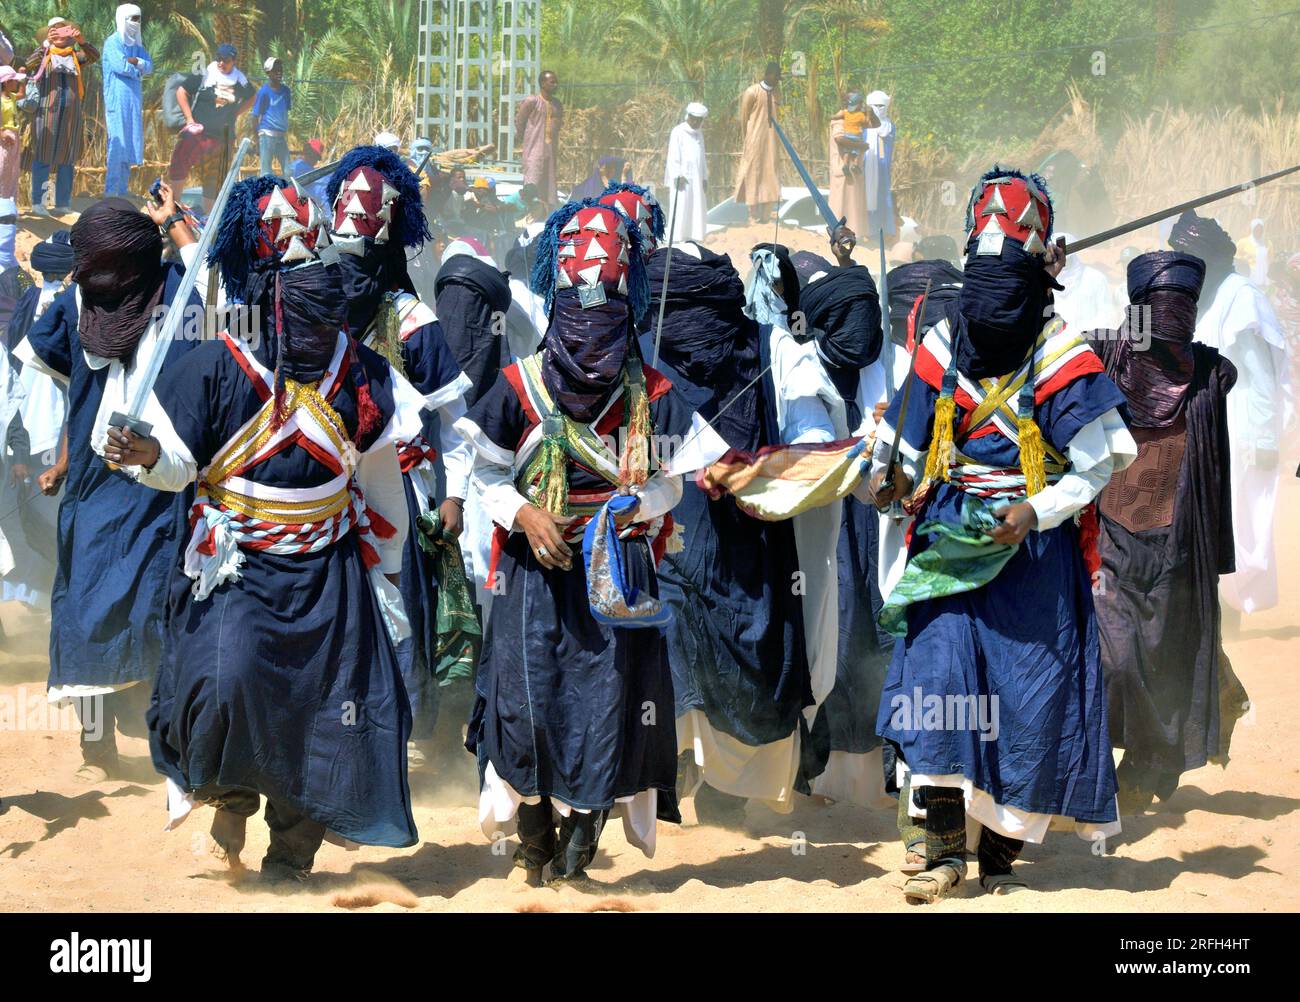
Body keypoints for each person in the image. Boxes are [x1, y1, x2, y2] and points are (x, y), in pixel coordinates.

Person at [111, 175, 424, 880]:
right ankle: (229, 795)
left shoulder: (366, 376)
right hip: (238, 569)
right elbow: (179, 463)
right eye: (300, 304)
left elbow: (378, 481)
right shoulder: (216, 369)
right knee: (227, 686)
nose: (316, 318)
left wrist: (390, 567)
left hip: (331, 575)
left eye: (325, 300)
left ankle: (291, 858)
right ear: (268, 300)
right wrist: (150, 455)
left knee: (324, 715)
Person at [870, 168, 1136, 902]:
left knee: (1024, 701)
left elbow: (1097, 463)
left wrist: (1037, 510)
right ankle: (942, 850)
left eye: (1003, 284)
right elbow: (900, 449)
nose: (988, 302)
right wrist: (888, 484)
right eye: (977, 282)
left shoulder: (1055, 352)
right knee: (941, 684)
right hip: (950, 546)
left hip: (1030, 556)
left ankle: (1001, 848)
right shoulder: (940, 344)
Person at [454, 199, 684, 884]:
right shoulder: (517, 387)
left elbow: (674, 484)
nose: (590, 351)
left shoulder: (656, 393)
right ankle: (531, 832)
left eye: (605, 333)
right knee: (526, 705)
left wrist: (634, 504)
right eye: (577, 330)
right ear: (556, 312)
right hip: (536, 572)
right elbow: (485, 473)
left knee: (605, 708)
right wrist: (523, 513)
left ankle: (585, 830)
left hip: (617, 577)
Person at [11, 195, 203, 782]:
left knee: (150, 610)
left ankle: (152, 738)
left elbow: (211, 286)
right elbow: (76, 397)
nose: (87, 269)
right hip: (97, 487)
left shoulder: (172, 296)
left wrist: (172, 225)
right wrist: (66, 460)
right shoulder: (78, 305)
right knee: (86, 610)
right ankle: (99, 746)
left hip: (160, 482)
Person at [324, 145, 477, 761]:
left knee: (399, 605)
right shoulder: (316, 305)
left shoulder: (412, 322)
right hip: (321, 489)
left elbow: (456, 420)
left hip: (401, 493)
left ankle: (403, 733)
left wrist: (457, 495)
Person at [1088, 250, 1248, 813]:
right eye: (1162, 310)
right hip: (1108, 540)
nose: (1173, 323)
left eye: (1184, 309)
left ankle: (1144, 767)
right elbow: (1045, 342)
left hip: (1176, 544)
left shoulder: (1208, 375)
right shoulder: (1104, 357)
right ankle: (1092, 764)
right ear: (1140, 314)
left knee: (1165, 662)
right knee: (1117, 659)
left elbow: (1228, 372)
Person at [1170, 210, 1289, 616]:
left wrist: (1265, 440)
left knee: (1237, 520)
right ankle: (1213, 607)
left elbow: (1262, 379)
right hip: (1203, 427)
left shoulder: (1242, 298)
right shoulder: (1200, 297)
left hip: (1240, 429)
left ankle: (1232, 611)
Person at [1, 232, 71, 612]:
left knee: (22, 514)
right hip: (48, 430)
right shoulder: (69, 307)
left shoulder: (26, 302)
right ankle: (38, 587)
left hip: (21, 426)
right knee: (38, 514)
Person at [25, 17, 99, 215]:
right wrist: (46, 44)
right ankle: (39, 203)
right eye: (55, 31)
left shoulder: (76, 56)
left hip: (71, 116)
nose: (60, 35)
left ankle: (62, 204)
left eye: (64, 30)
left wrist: (82, 41)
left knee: (67, 157)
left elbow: (94, 56)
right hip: (46, 113)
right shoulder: (44, 55)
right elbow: (29, 63)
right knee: (43, 155)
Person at [168, 44, 254, 207]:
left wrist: (234, 113)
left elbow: (252, 98)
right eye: (219, 59)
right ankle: (173, 205)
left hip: (222, 138)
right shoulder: (204, 73)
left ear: (234, 61)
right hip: (198, 134)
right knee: (180, 163)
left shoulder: (240, 81)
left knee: (214, 180)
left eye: (226, 60)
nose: (221, 63)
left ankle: (208, 219)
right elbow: (181, 92)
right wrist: (189, 119)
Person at [101, 5, 151, 197]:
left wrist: (136, 62)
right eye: (132, 19)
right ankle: (111, 191)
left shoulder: (138, 47)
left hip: (133, 101)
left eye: (138, 19)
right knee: (118, 144)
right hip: (117, 101)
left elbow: (149, 65)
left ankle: (122, 189)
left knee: (129, 144)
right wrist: (137, 66)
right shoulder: (112, 42)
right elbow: (120, 66)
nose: (136, 23)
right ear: (122, 18)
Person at [734, 63, 782, 223]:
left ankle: (766, 217)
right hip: (754, 141)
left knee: (770, 176)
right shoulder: (752, 92)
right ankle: (752, 216)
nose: (776, 81)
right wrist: (747, 140)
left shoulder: (776, 93)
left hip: (772, 143)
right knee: (753, 174)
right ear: (767, 74)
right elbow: (744, 118)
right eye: (775, 76)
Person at [1053, 233, 1120, 332]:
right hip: (1057, 342)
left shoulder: (1095, 278)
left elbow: (1106, 316)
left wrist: (1081, 336)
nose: (1062, 264)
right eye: (1056, 259)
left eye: (1065, 260)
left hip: (1089, 342)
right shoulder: (1046, 284)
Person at [514, 70, 562, 205]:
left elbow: (557, 126)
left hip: (550, 151)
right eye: (552, 82)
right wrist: (528, 140)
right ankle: (528, 213)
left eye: (556, 82)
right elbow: (520, 122)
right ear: (542, 83)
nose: (555, 85)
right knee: (532, 181)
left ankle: (546, 215)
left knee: (549, 184)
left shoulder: (557, 104)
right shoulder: (532, 101)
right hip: (534, 149)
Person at [664, 102, 709, 243]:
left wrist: (704, 177)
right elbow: (672, 156)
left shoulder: (699, 134)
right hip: (682, 177)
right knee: (681, 205)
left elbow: (702, 157)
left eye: (699, 119)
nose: (696, 122)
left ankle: (694, 235)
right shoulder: (677, 131)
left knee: (696, 205)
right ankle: (677, 237)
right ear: (688, 116)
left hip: (696, 177)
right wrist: (677, 175)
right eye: (693, 118)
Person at [0, 65, 24, 270]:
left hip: (14, 139)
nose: (17, 83)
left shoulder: (12, 98)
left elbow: (22, 92)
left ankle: (9, 210)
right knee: (1, 174)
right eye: (14, 80)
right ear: (6, 82)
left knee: (12, 175)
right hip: (4, 141)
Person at [862, 90, 895, 240]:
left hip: (882, 170)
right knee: (864, 199)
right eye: (873, 105)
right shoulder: (863, 126)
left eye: (880, 105)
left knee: (882, 200)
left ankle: (881, 233)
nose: (877, 109)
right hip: (864, 168)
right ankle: (865, 231)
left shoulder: (889, 127)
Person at [251, 57, 292, 177]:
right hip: (267, 135)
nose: (279, 72)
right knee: (266, 172)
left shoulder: (286, 91)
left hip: (280, 136)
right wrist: (257, 140)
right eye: (275, 70)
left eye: (280, 69)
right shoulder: (264, 92)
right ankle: (266, 194)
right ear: (268, 73)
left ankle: (287, 193)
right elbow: (254, 116)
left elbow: (284, 112)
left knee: (288, 170)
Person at [287, 137, 328, 203]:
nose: (314, 159)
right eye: (311, 154)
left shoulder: (294, 165)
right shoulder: (303, 168)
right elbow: (324, 181)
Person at [1236, 218, 1269, 288]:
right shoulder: (1243, 242)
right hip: (1250, 276)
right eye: (1256, 229)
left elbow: (1270, 260)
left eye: (1260, 229)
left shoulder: (1268, 243)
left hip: (1264, 277)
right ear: (1252, 229)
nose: (1258, 231)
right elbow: (1236, 258)